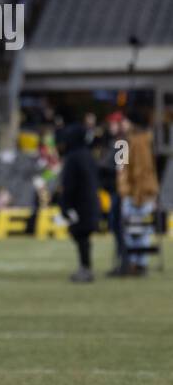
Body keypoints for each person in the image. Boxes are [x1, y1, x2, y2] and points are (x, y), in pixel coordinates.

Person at [117, 109, 160, 276]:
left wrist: (124, 190)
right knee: (141, 231)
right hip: (143, 191)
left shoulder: (125, 141)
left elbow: (121, 170)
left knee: (134, 230)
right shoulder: (149, 140)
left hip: (135, 192)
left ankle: (135, 263)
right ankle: (138, 263)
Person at [57, 122, 100, 282]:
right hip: (90, 202)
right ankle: (85, 268)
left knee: (81, 237)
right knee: (84, 238)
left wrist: (65, 204)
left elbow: (69, 185)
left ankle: (85, 269)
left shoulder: (73, 157)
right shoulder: (88, 155)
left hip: (79, 204)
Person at [97, 112, 127, 275]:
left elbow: (121, 168)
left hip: (118, 192)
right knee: (116, 227)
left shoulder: (121, 142)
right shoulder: (113, 142)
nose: (111, 127)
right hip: (114, 190)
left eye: (114, 124)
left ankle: (123, 263)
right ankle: (121, 262)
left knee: (119, 228)